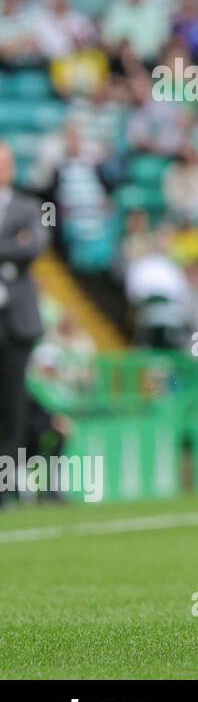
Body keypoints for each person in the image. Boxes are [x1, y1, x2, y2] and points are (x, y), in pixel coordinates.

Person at [0, 140, 48, 508]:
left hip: (17, 323)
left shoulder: (29, 206)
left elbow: (35, 245)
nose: (6, 167)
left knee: (11, 408)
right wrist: (12, 243)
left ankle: (4, 487)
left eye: (8, 161)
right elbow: (20, 246)